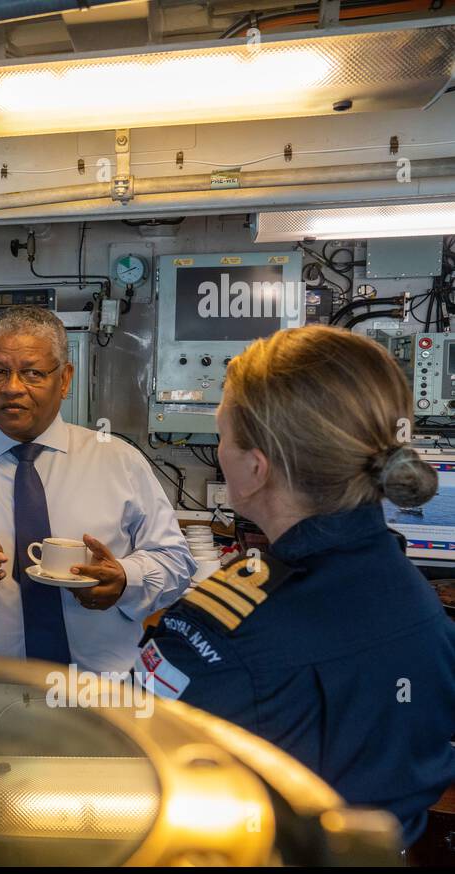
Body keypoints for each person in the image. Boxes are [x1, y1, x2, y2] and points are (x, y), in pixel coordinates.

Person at [138, 325, 455, 846]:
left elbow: (136, 781)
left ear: (256, 468)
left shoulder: (220, 635)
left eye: (223, 435)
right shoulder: (412, 590)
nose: (220, 450)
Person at [0, 306, 194, 672]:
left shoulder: (118, 461)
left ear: (65, 379)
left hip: (100, 692)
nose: (12, 388)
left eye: (32, 373)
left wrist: (125, 580)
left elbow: (176, 561)